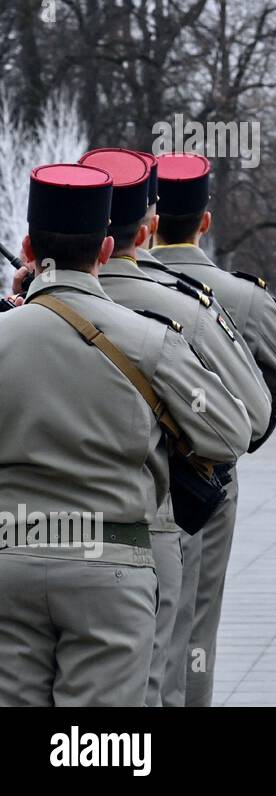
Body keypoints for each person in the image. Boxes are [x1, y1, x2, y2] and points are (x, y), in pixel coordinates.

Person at [0, 164, 251, 706]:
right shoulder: (148, 341)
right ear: (109, 245)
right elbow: (231, 432)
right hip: (109, 564)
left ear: (26, 246)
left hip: (10, 556)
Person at [77, 148, 273, 707]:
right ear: (147, 228)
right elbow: (251, 418)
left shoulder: (24, 313)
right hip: (153, 517)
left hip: (34, 529)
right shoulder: (181, 308)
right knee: (166, 674)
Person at [151, 152, 276, 707]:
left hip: (106, 470)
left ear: (149, 218)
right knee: (193, 626)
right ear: (206, 219)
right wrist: (235, 433)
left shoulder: (108, 286)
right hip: (204, 481)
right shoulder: (239, 297)